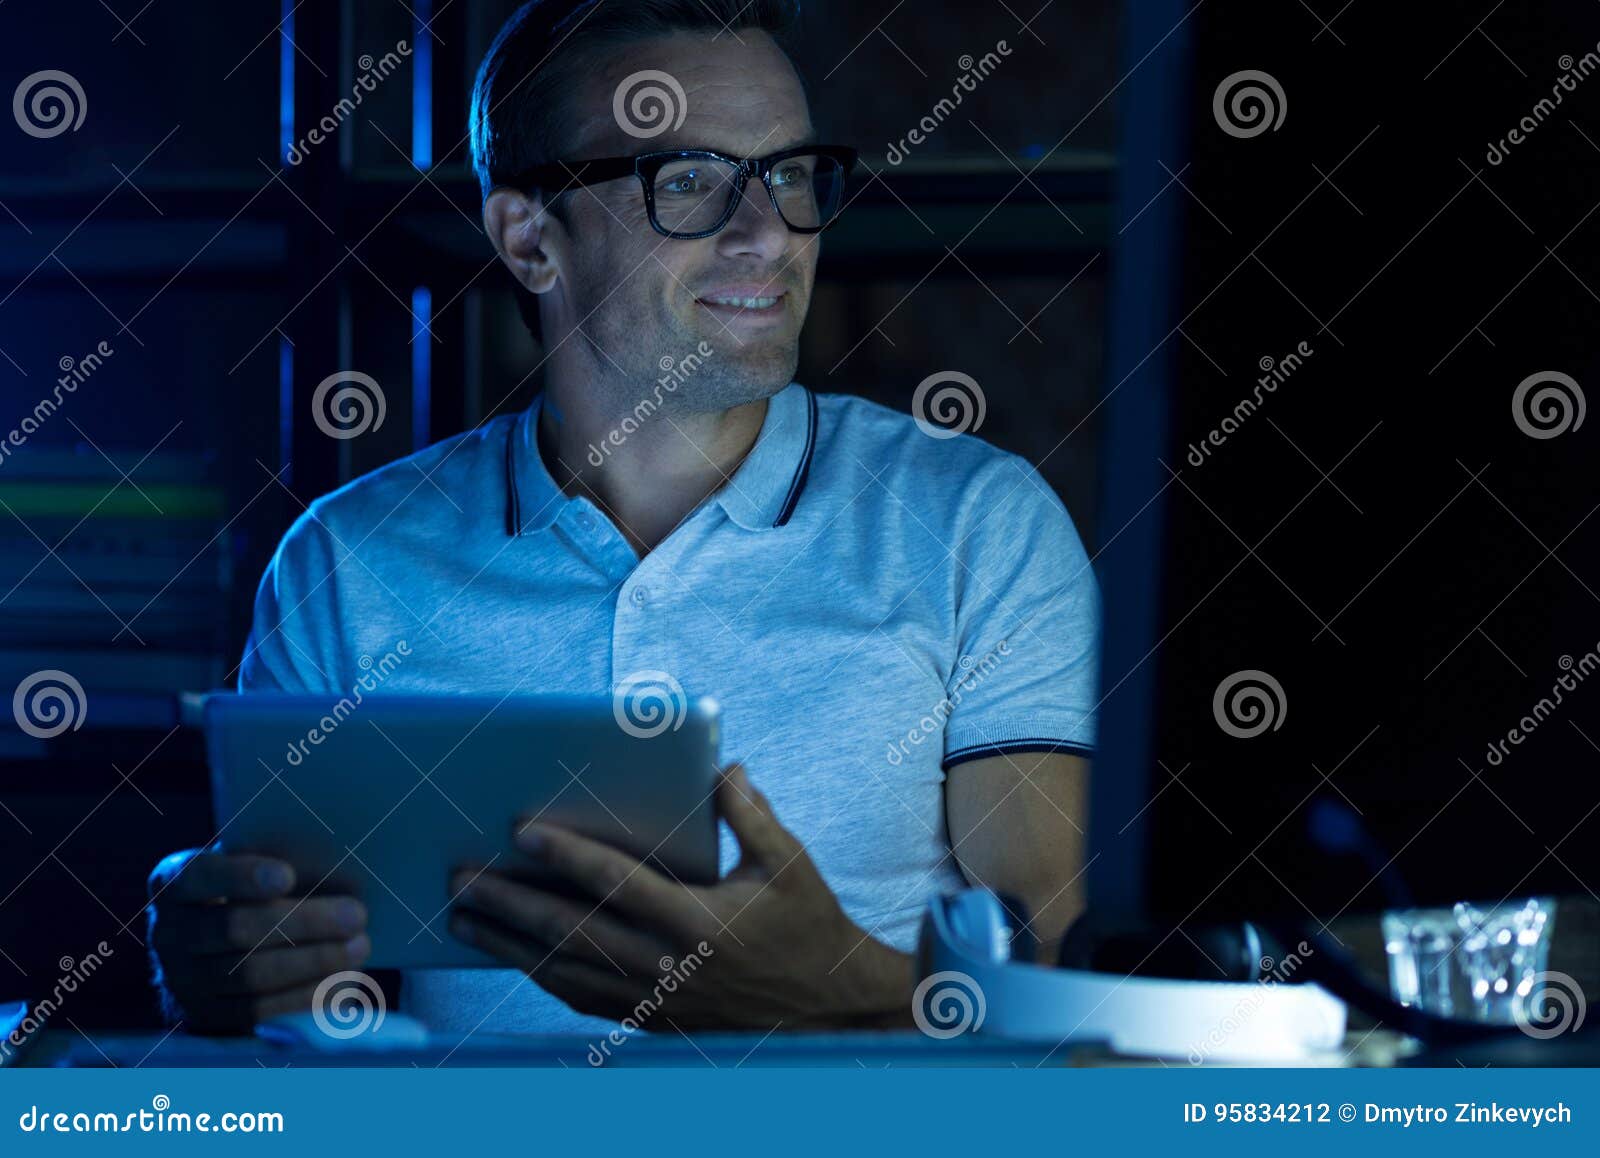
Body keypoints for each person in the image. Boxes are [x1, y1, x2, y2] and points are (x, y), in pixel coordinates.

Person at [147, 0, 1099, 1037]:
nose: (768, 233)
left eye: (787, 174)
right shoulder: (348, 559)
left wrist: (839, 994)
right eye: (689, 180)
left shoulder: (978, 526)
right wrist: (215, 975)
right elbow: (280, 990)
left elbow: (1059, 968)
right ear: (528, 237)